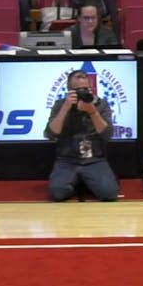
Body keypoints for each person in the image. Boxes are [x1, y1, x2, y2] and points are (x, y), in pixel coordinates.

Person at [45, 68, 120, 203]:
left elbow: (107, 134)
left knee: (109, 193)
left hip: (94, 159)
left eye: (85, 89)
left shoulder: (101, 105)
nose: (82, 93)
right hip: (66, 160)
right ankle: (80, 182)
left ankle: (87, 180)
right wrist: (65, 108)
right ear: (69, 90)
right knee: (57, 193)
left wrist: (93, 113)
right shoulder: (60, 105)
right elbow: (51, 133)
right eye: (78, 90)